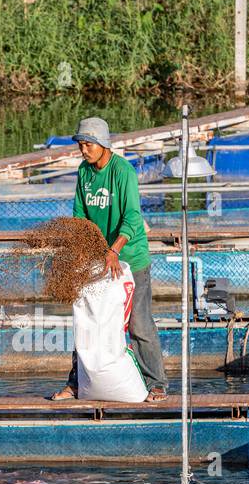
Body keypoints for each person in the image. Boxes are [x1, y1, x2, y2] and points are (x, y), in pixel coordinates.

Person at [51, 116, 168, 403]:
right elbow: (80, 215)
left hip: (129, 257)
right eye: (80, 144)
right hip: (98, 259)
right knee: (88, 321)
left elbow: (132, 217)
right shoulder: (84, 172)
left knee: (138, 324)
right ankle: (76, 383)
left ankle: (156, 384)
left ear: (103, 144)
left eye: (88, 144)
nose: (83, 149)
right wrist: (81, 250)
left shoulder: (123, 172)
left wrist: (114, 250)